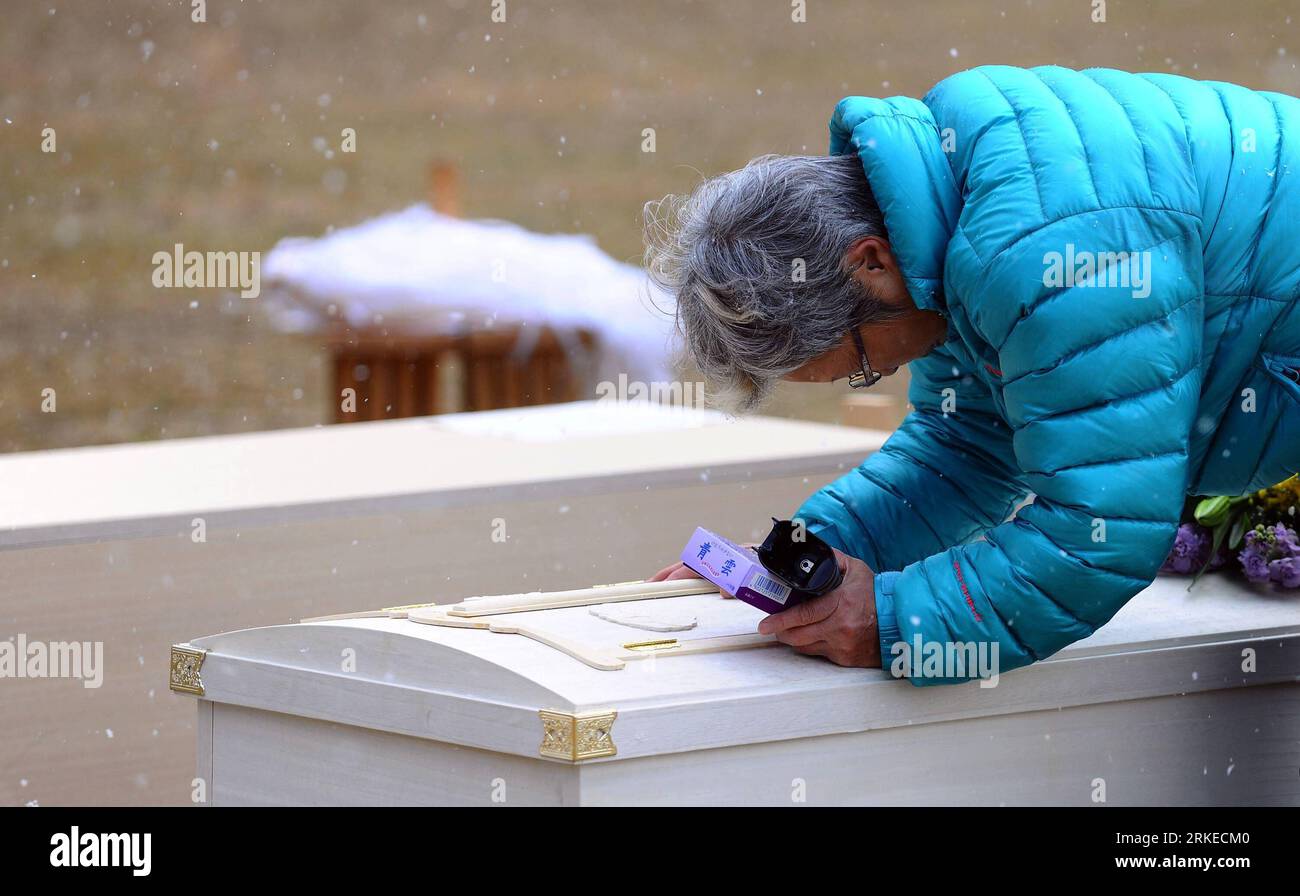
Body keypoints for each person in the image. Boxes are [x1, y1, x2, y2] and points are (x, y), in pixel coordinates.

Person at [645, 65, 1300, 685]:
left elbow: (1099, 533)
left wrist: (897, 624)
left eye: (864, 366)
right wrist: (799, 559)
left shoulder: (1048, 253)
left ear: (869, 262)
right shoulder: (949, 207)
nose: (887, 370)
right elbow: (966, 447)